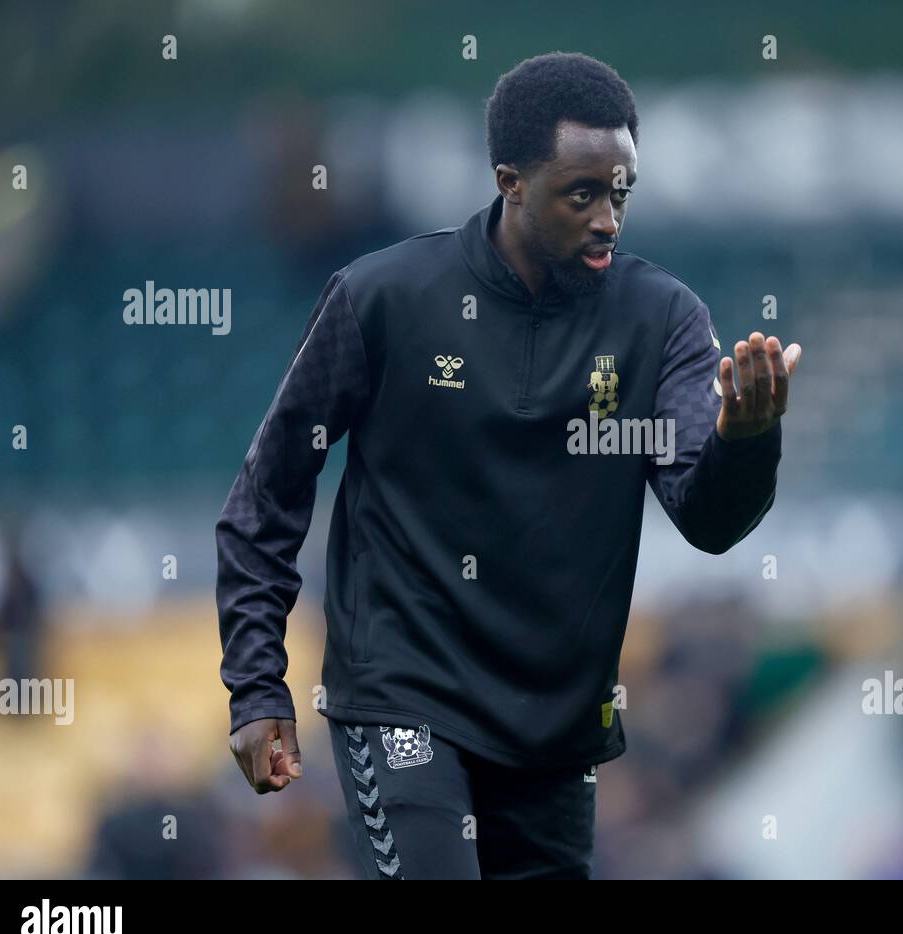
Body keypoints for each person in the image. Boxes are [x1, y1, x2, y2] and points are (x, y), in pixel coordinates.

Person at [216, 51, 801, 879]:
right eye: (583, 193)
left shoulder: (662, 319)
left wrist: (747, 436)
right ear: (510, 181)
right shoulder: (382, 298)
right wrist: (257, 683)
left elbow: (707, 520)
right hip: (404, 696)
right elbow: (263, 497)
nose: (609, 218)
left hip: (555, 731)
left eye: (622, 192)